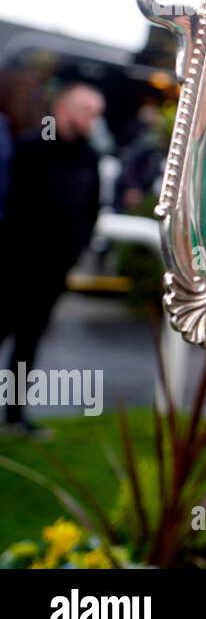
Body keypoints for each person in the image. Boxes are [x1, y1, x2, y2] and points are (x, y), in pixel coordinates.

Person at [0, 82, 104, 437]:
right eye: (88, 112)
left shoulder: (89, 155)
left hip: (53, 272)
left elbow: (90, 209)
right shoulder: (33, 146)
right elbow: (14, 205)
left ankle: (14, 417)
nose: (93, 121)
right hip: (15, 268)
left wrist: (76, 250)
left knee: (28, 344)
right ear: (67, 109)